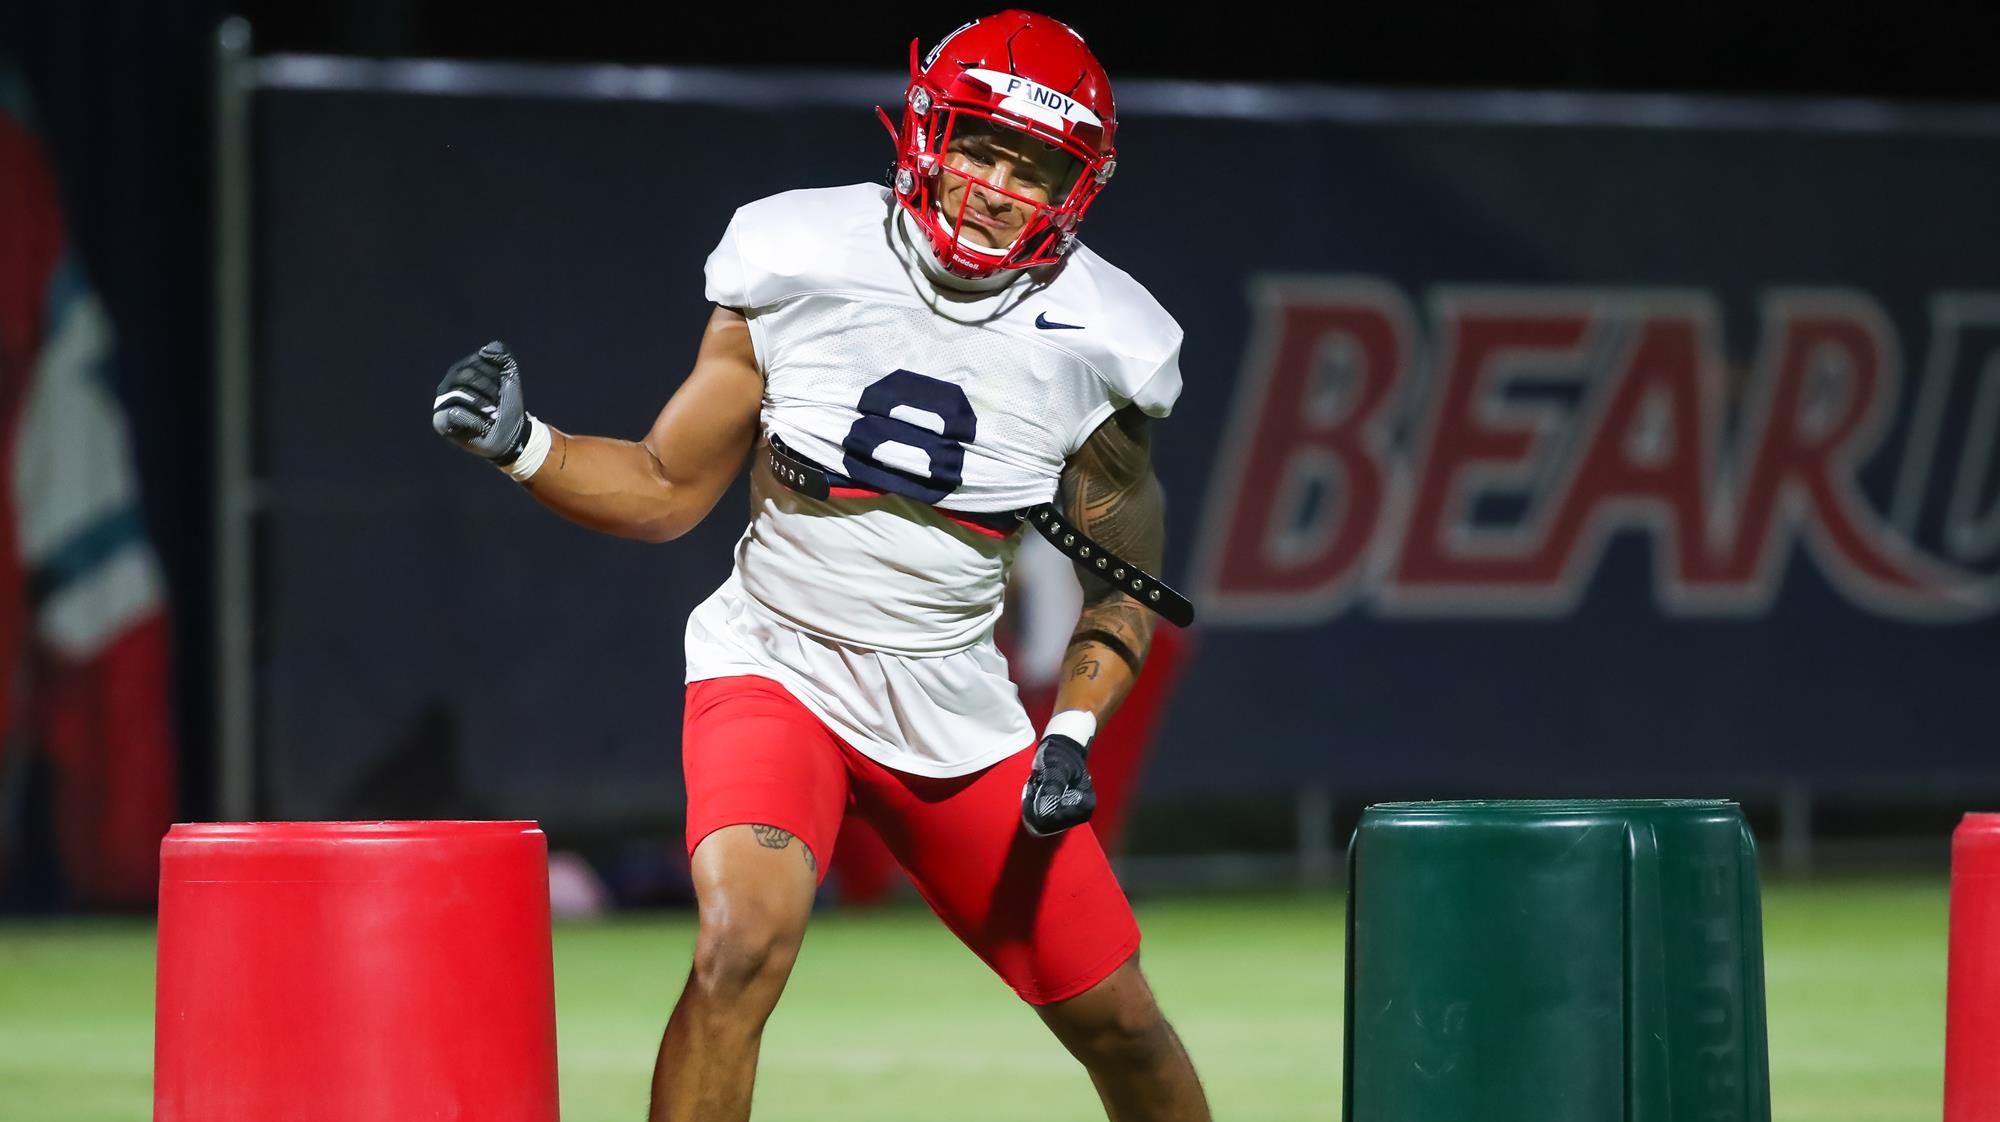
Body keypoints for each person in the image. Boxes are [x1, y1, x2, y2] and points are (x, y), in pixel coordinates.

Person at [431, 11, 1210, 1120]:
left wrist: (1073, 731)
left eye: (1031, 170)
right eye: (980, 150)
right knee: (740, 942)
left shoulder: (1107, 338)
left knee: (1122, 1023)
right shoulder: (798, 253)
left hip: (952, 705)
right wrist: (524, 445)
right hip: (776, 663)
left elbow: (1123, 588)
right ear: (925, 132)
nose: (996, 189)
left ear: (1075, 189)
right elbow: (664, 486)